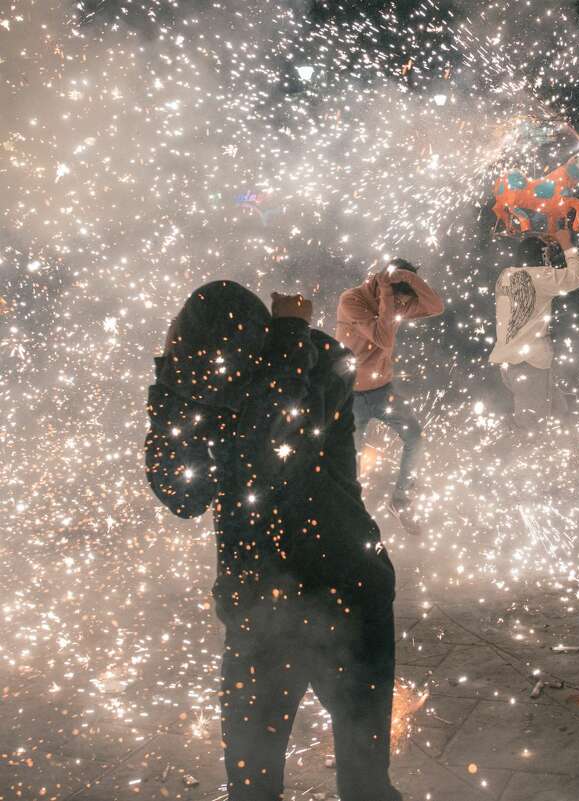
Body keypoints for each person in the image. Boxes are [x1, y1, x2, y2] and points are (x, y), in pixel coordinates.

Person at [145, 282, 401, 801]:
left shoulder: (317, 362)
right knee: (250, 783)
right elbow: (181, 493)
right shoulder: (204, 391)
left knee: (365, 783)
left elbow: (274, 450)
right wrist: (170, 391)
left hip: (347, 596)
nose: (214, 387)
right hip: (258, 609)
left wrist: (288, 340)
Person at [336, 258, 444, 519]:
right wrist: (387, 290)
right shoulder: (352, 301)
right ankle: (348, 513)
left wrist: (409, 279)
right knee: (351, 462)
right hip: (350, 395)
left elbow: (436, 306)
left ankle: (401, 498)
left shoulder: (397, 301)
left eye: (405, 303)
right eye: (399, 301)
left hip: (384, 390)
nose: (402, 308)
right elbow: (383, 337)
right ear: (379, 286)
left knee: (415, 438)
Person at [489, 227, 579, 429]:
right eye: (548, 256)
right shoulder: (539, 277)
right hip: (530, 364)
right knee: (532, 427)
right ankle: (524, 458)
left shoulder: (505, 275)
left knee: (560, 412)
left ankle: (572, 457)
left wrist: (539, 242)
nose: (550, 260)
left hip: (511, 362)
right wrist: (566, 245)